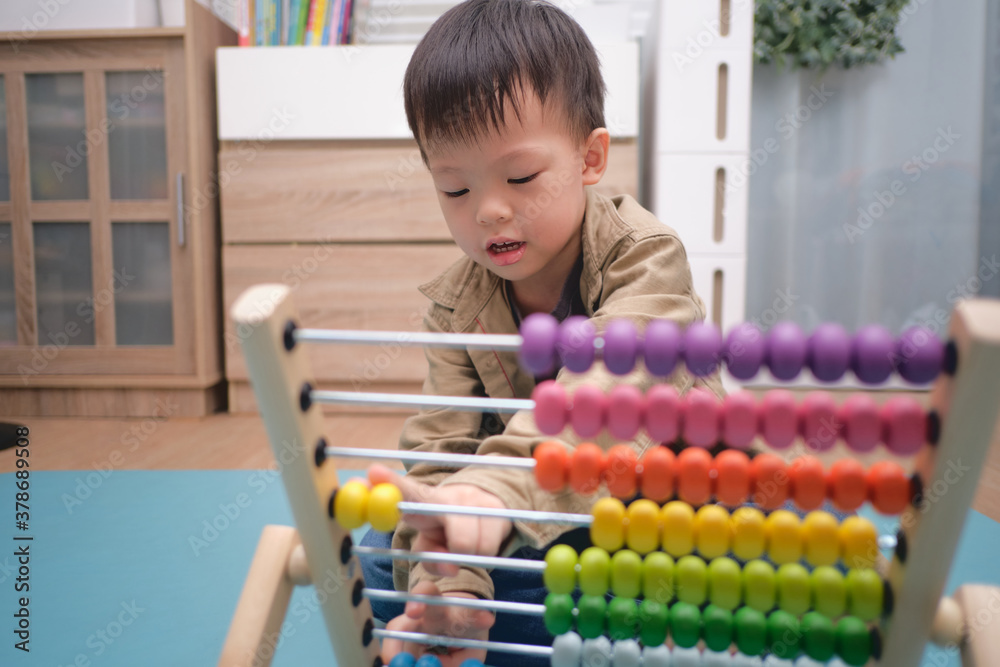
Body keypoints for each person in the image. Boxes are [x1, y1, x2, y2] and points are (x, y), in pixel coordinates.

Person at [358, 1, 724, 664]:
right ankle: (479, 621)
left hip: (653, 502)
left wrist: (491, 496)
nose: (489, 210)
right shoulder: (456, 305)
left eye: (521, 177)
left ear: (590, 157)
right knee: (379, 556)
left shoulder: (647, 257)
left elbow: (608, 392)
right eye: (454, 189)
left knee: (743, 550)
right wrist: (452, 575)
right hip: (529, 510)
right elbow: (441, 450)